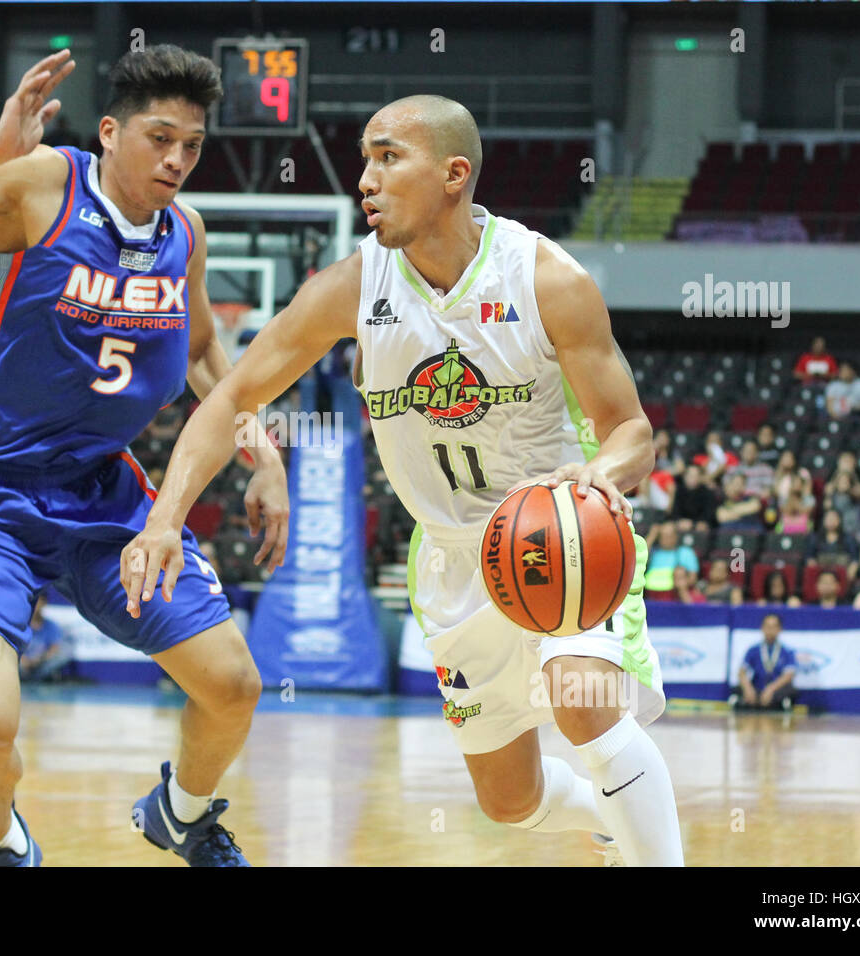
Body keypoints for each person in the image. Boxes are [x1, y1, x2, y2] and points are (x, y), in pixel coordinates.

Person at [123, 94, 683, 866]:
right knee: (509, 801)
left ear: (455, 174)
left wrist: (597, 473)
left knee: (584, 703)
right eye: (365, 158)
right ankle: (611, 821)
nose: (365, 178)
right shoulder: (352, 289)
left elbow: (633, 432)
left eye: (388, 157)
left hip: (562, 530)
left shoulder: (547, 279)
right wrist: (165, 516)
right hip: (454, 559)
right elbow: (230, 397)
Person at [0, 46, 288, 867]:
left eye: (192, 145)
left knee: (233, 686)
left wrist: (263, 449)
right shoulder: (42, 183)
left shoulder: (184, 232)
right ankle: (3, 843)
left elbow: (199, 353)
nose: (177, 160)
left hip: (103, 497)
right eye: (161, 138)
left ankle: (181, 816)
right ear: (111, 132)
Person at [730, 614, 796, 711]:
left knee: (791, 691)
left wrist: (770, 689)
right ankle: (750, 701)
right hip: (757, 687)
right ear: (762, 628)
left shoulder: (787, 651)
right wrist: (748, 688)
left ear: (780, 629)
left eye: (774, 627)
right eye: (767, 626)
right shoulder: (754, 650)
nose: (770, 630)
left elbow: (788, 675)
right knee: (737, 688)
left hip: (776, 689)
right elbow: (742, 672)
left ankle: (776, 704)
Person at [19, 591, 76, 681]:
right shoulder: (20, 625)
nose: (36, 605)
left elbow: (55, 647)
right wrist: (24, 660)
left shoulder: (50, 625)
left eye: (39, 601)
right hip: (23, 665)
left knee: (64, 652)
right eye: (33, 601)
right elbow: (13, 646)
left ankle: (45, 678)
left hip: (41, 664)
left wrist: (40, 659)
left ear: (44, 603)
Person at [645, 523, 699, 594]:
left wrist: (681, 585)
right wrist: (652, 536)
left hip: (674, 596)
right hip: (650, 594)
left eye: (668, 536)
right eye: (662, 536)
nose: (665, 539)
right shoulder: (653, 552)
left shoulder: (685, 552)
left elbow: (693, 578)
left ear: (676, 536)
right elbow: (639, 555)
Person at [667, 462, 716, 533]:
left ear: (700, 477)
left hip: (699, 524)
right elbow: (675, 511)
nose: (693, 479)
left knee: (703, 528)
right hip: (682, 523)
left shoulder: (707, 493)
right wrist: (679, 521)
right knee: (668, 528)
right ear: (685, 476)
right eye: (690, 476)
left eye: (696, 476)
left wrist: (696, 523)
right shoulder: (679, 490)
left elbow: (709, 513)